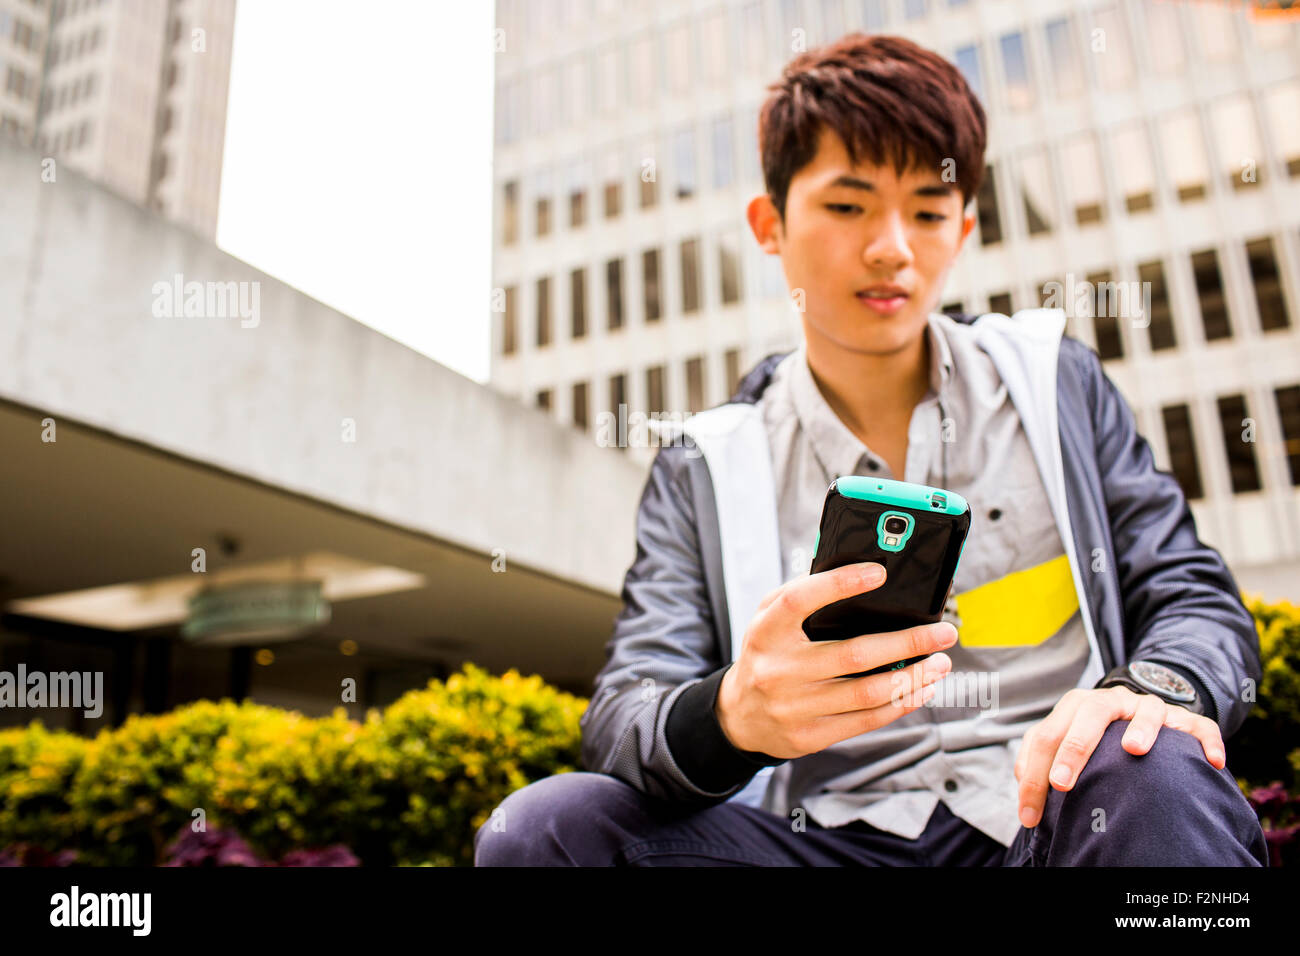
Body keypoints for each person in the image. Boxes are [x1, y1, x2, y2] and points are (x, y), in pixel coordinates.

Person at [474, 33, 1268, 867]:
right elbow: (628, 704)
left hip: (1051, 819)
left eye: (928, 211)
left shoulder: (1055, 384)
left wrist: (1147, 692)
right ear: (769, 223)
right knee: (542, 832)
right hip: (825, 841)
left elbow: (1193, 597)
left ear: (962, 230)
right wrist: (735, 712)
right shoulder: (703, 465)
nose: (892, 246)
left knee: (1152, 762)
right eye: (849, 205)